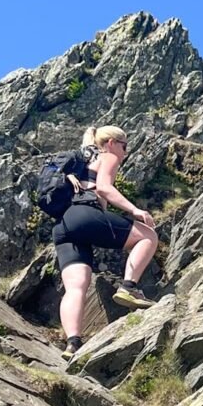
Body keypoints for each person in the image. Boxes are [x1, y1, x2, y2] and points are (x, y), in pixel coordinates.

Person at [54, 125, 158, 362]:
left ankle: (72, 343)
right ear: (111, 143)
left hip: (63, 226)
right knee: (148, 236)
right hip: (86, 214)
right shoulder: (107, 156)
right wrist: (135, 210)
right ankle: (129, 287)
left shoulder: (81, 160)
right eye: (124, 146)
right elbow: (104, 187)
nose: (125, 152)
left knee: (76, 287)